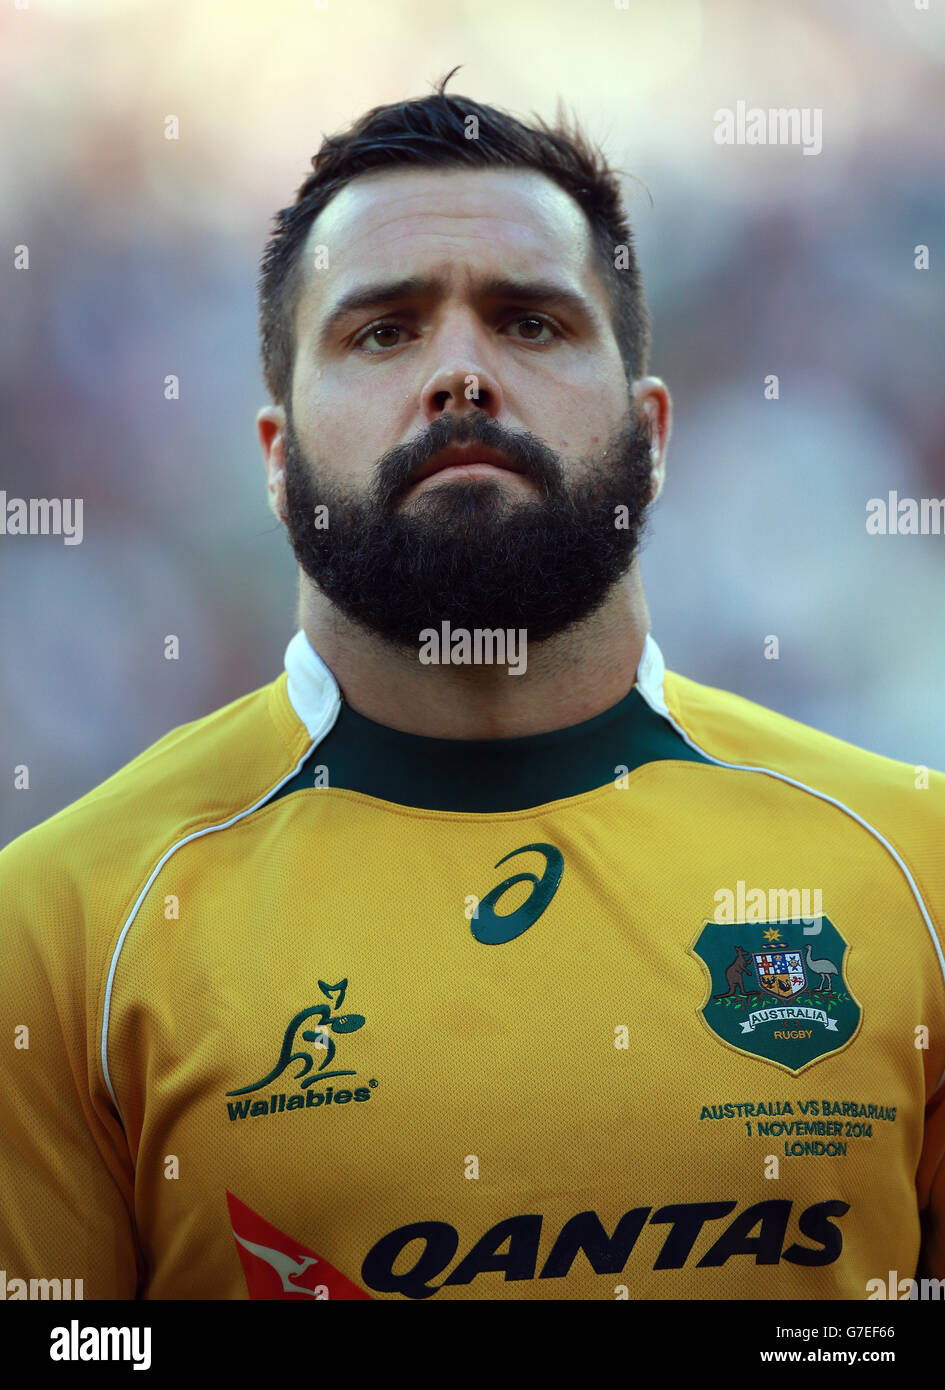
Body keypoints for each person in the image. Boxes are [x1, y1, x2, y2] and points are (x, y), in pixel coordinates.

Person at [1, 71, 943, 1303]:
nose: (460, 375)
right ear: (277, 460)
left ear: (653, 437)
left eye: (531, 323)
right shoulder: (60, 928)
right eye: (383, 331)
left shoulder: (915, 863)